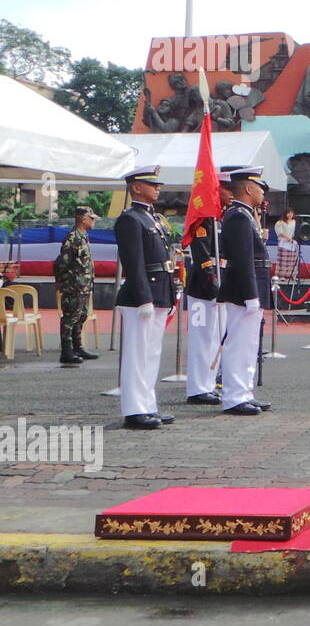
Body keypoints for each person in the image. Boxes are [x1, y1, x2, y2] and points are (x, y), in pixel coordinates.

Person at [113, 166, 178, 429]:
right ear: (136, 187)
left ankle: (148, 405)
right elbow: (134, 262)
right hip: (142, 295)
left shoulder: (155, 219)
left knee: (151, 354)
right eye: (151, 184)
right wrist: (143, 298)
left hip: (160, 291)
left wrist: (170, 295)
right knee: (137, 355)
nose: (158, 188)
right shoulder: (130, 219)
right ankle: (134, 409)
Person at [216, 167, 272, 414]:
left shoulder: (247, 215)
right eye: (259, 187)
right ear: (248, 188)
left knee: (249, 346)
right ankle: (234, 397)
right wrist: (251, 294)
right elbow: (243, 259)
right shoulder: (238, 216)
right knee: (239, 345)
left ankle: (244, 392)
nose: (262, 192)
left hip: (251, 289)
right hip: (242, 292)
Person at [182, 172, 231, 405]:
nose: (232, 194)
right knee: (202, 338)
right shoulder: (204, 219)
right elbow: (202, 253)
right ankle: (197, 387)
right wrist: (212, 279)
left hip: (219, 285)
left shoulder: (219, 219)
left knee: (215, 337)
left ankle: (209, 383)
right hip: (203, 288)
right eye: (227, 189)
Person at [54, 204, 98, 366]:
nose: (94, 221)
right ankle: (66, 351)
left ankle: (77, 347)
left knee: (81, 315)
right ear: (84, 219)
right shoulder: (73, 237)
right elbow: (62, 262)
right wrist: (62, 281)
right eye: (92, 218)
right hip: (74, 285)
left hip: (83, 285)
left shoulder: (83, 236)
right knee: (70, 318)